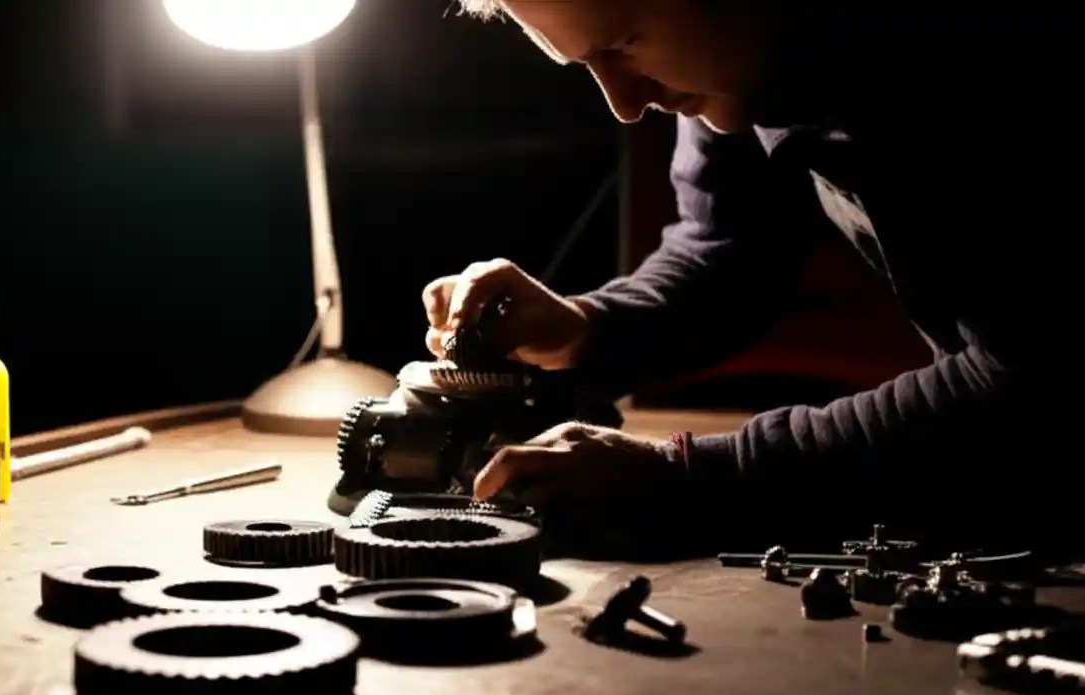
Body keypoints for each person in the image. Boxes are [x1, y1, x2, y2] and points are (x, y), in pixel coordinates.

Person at [427, 1, 1079, 547]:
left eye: (623, 43)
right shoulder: (738, 52)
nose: (624, 105)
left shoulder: (981, 52)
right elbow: (730, 245)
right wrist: (589, 327)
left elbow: (1033, 391)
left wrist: (698, 476)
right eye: (579, 63)